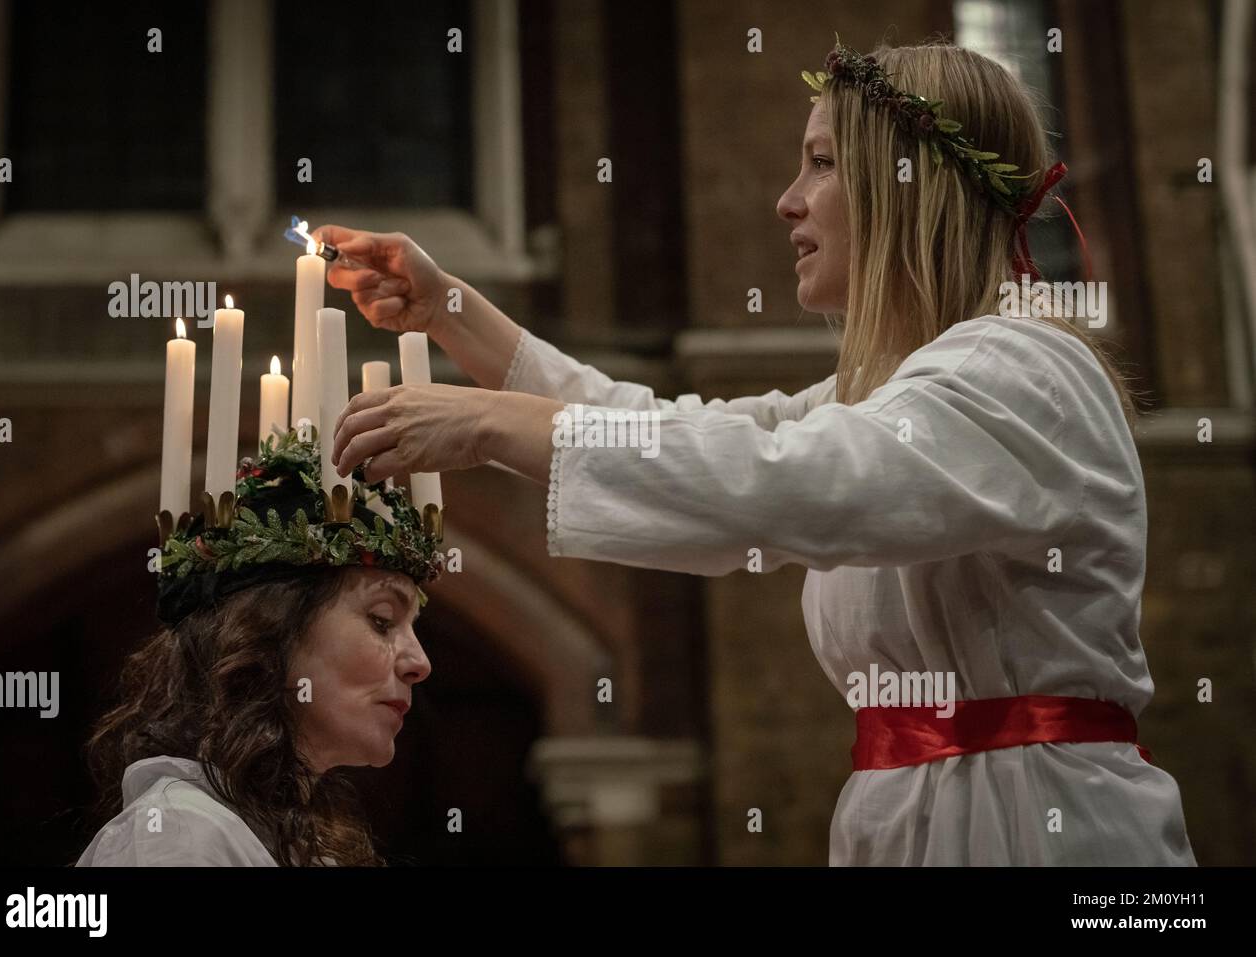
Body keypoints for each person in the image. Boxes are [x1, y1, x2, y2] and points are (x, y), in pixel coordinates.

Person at [314, 38, 1195, 865]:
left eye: (821, 163)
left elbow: (778, 482)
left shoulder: (1022, 369)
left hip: (1048, 825)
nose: (788, 199)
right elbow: (673, 429)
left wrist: (484, 422)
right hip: (907, 816)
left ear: (909, 184)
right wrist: (451, 312)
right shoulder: (878, 395)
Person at [75, 433, 440, 866]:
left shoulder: (297, 843)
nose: (420, 663)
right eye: (381, 621)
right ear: (271, 632)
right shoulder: (179, 838)